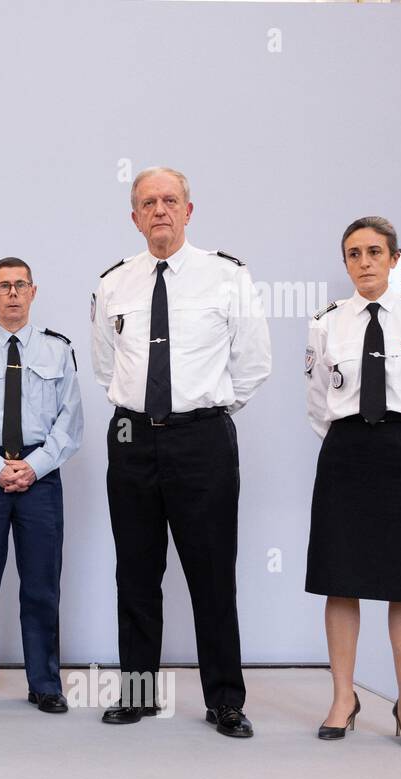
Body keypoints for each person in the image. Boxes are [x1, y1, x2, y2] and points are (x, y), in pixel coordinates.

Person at [90, 167, 271, 737]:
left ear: (189, 211)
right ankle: (138, 692)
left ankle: (224, 700)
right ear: (135, 217)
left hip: (203, 440)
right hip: (133, 439)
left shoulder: (227, 277)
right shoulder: (114, 283)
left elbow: (253, 364)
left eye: (170, 200)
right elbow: (106, 367)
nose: (160, 210)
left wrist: (202, 414)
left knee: (212, 574)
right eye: (148, 202)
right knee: (136, 571)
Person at [305, 216, 401, 751]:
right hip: (345, 453)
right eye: (352, 254)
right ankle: (344, 697)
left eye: (372, 251)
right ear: (345, 263)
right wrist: (351, 438)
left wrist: (398, 436)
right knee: (340, 577)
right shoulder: (326, 322)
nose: (363, 262)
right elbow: (319, 399)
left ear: (393, 258)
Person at [0, 257, 83, 711]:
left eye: (19, 285)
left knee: (41, 585)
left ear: (33, 291)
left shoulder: (58, 350)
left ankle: (45, 684)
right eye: (2, 286)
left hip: (39, 481)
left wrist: (34, 466)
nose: (11, 293)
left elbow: (70, 422)